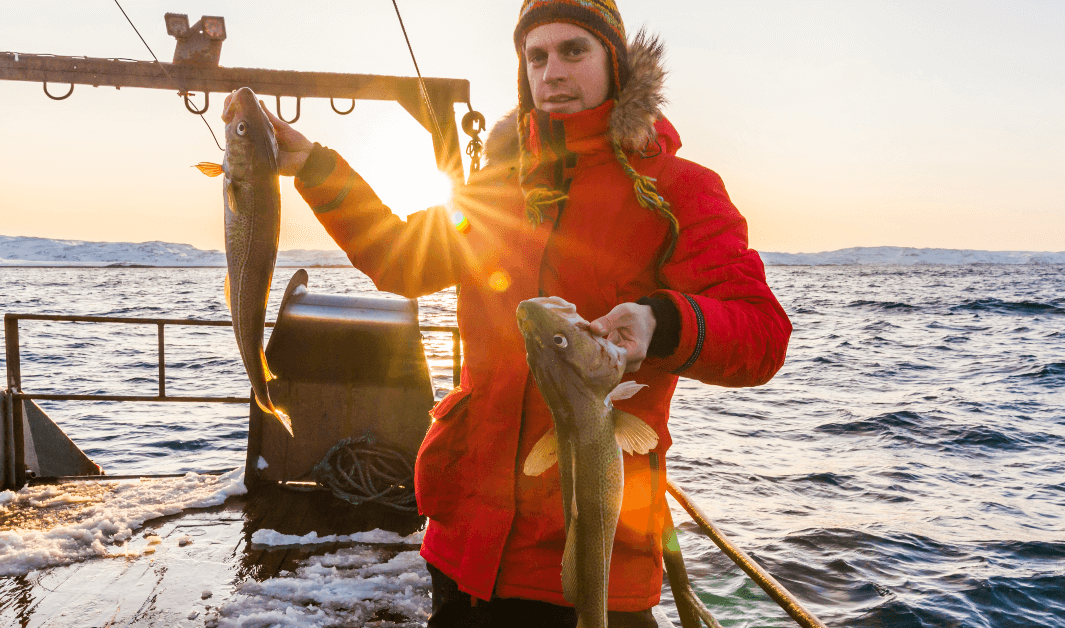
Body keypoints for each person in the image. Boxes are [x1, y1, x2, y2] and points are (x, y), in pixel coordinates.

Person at [255, 0, 792, 624]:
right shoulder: (497, 189)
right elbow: (401, 258)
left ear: (616, 64)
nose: (551, 72)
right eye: (535, 56)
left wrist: (661, 321)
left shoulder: (678, 189)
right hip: (463, 545)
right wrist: (314, 169)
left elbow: (761, 336)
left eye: (573, 51)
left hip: (593, 555)